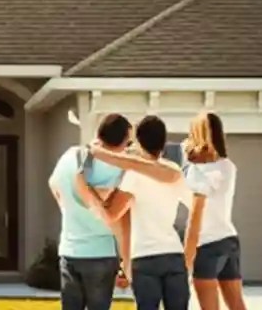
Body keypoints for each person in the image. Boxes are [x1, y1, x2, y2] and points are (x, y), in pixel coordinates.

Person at [82, 115, 191, 310]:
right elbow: (195, 205)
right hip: (174, 255)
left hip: (145, 258)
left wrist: (89, 192)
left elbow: (112, 214)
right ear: (163, 142)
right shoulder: (174, 170)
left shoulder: (133, 176)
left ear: (139, 142)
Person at [48, 113, 134, 310]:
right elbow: (123, 221)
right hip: (101, 253)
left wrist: (68, 208)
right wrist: (125, 262)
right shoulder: (120, 170)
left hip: (70, 249)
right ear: (122, 142)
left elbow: (53, 184)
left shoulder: (71, 156)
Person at [181, 112, 245, 310]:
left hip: (206, 245)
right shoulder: (227, 166)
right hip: (229, 240)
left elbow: (196, 217)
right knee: (237, 305)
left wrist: (186, 260)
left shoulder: (201, 171)